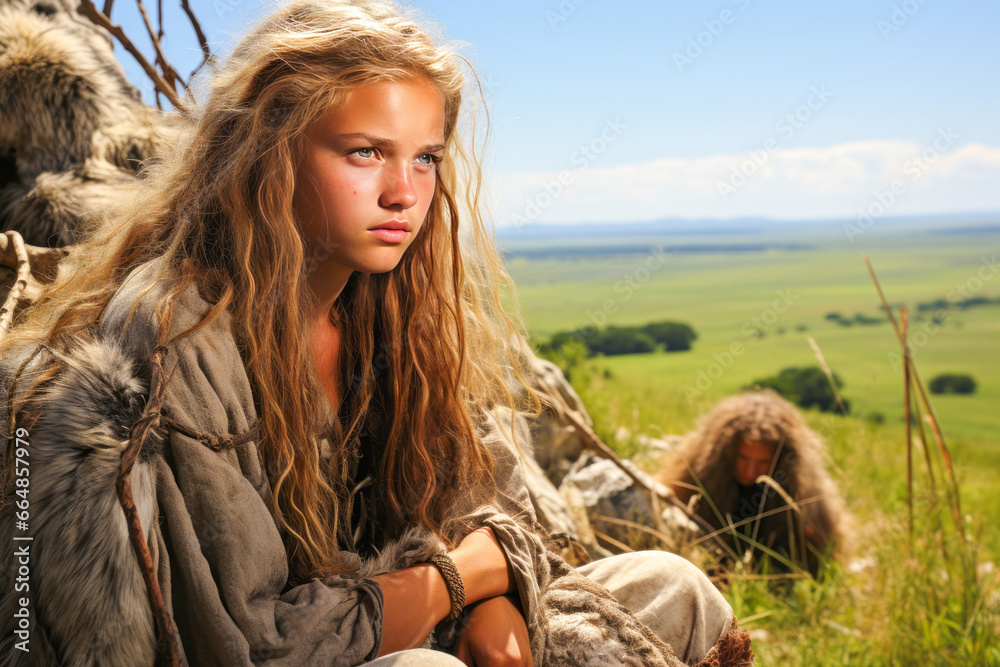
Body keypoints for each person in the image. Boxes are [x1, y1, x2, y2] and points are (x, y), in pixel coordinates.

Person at [0, 1, 747, 665]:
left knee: (672, 589)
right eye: (365, 152)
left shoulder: (390, 312)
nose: (404, 193)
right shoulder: (183, 338)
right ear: (269, 151)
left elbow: (481, 503)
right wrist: (463, 579)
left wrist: (495, 602)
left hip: (403, 623)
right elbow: (258, 644)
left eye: (425, 158)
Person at [660, 391, 854, 578]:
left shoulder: (800, 492)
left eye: (762, 463)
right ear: (727, 453)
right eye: (742, 458)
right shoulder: (697, 473)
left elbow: (822, 550)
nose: (750, 471)